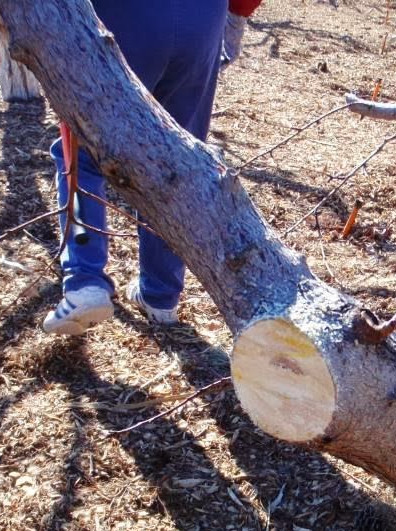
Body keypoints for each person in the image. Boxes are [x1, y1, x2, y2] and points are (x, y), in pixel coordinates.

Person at [44, 0, 263, 335]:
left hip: (123, 15)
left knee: (81, 150)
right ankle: (161, 296)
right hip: (203, 21)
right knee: (175, 159)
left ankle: (84, 280)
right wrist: (236, 17)